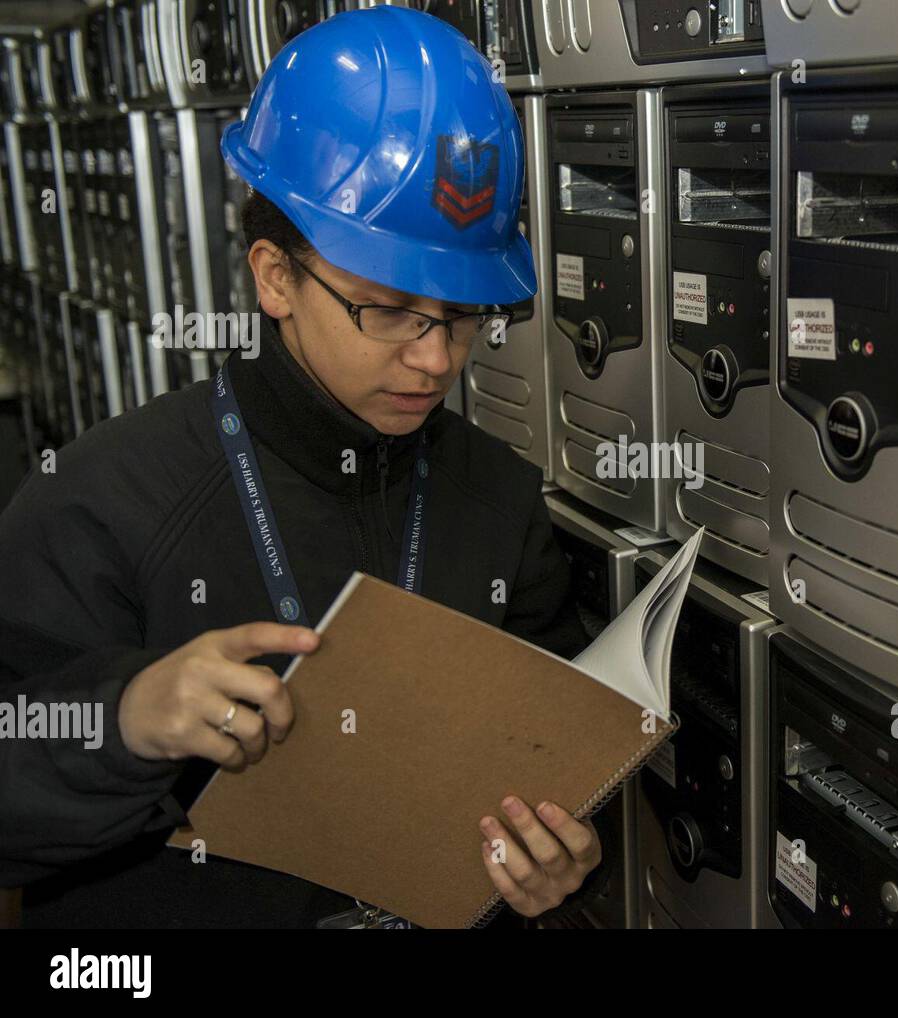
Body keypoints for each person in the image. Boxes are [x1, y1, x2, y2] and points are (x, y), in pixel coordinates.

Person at [0, 7, 607, 928]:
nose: (436, 361)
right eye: (391, 310)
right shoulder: (97, 502)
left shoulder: (501, 499)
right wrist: (124, 717)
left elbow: (552, 757)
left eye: (463, 316)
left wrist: (560, 862)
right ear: (275, 276)